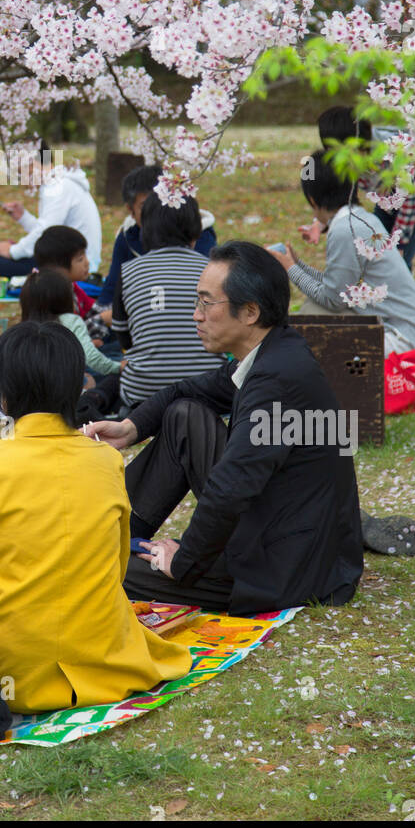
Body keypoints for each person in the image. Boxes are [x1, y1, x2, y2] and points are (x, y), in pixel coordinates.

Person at [85, 242, 364, 614]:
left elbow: (231, 488)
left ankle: (99, 550)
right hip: (273, 523)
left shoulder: (277, 379)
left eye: (205, 303)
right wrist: (131, 427)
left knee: (94, 573)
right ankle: (107, 532)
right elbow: (183, 391)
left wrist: (181, 563)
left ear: (249, 312)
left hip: (283, 566)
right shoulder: (271, 353)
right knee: (184, 414)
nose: (196, 315)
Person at [0, 321, 192, 713]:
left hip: (11, 669)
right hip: (107, 657)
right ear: (78, 387)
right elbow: (117, 564)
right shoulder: (107, 459)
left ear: (2, 397)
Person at [271, 150, 415, 356]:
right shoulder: (359, 219)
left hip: (409, 341)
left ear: (313, 201)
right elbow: (338, 289)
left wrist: (290, 268)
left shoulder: (346, 230)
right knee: (313, 309)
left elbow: (333, 300)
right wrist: (297, 265)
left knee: (313, 317)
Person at [109, 193, 224, 407]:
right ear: (196, 229)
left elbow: (124, 337)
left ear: (145, 227)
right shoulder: (213, 270)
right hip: (208, 391)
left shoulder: (129, 271)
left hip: (142, 392)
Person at [314, 106, 415, 270]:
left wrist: (400, 246)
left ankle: (402, 290)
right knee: (374, 255)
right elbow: (343, 191)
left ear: (357, 144)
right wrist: (319, 223)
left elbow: (413, 199)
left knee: (398, 263)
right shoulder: (347, 159)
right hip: (386, 200)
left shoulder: (394, 153)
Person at [96, 165, 219, 317]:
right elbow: (112, 287)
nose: (155, 212)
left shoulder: (198, 234)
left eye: (160, 202)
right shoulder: (127, 237)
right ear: (130, 210)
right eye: (145, 206)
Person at [0, 150, 102, 279]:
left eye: (21, 173)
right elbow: (49, 235)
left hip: (72, 263)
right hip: (67, 256)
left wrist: (13, 251)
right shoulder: (58, 184)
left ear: (32, 165)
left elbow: (44, 233)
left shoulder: (57, 188)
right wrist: (23, 217)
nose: (22, 181)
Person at [19, 268, 121, 378]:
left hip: (37, 381)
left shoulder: (23, 328)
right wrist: (117, 367)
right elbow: (91, 357)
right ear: (63, 299)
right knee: (116, 354)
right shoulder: (71, 320)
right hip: (67, 381)